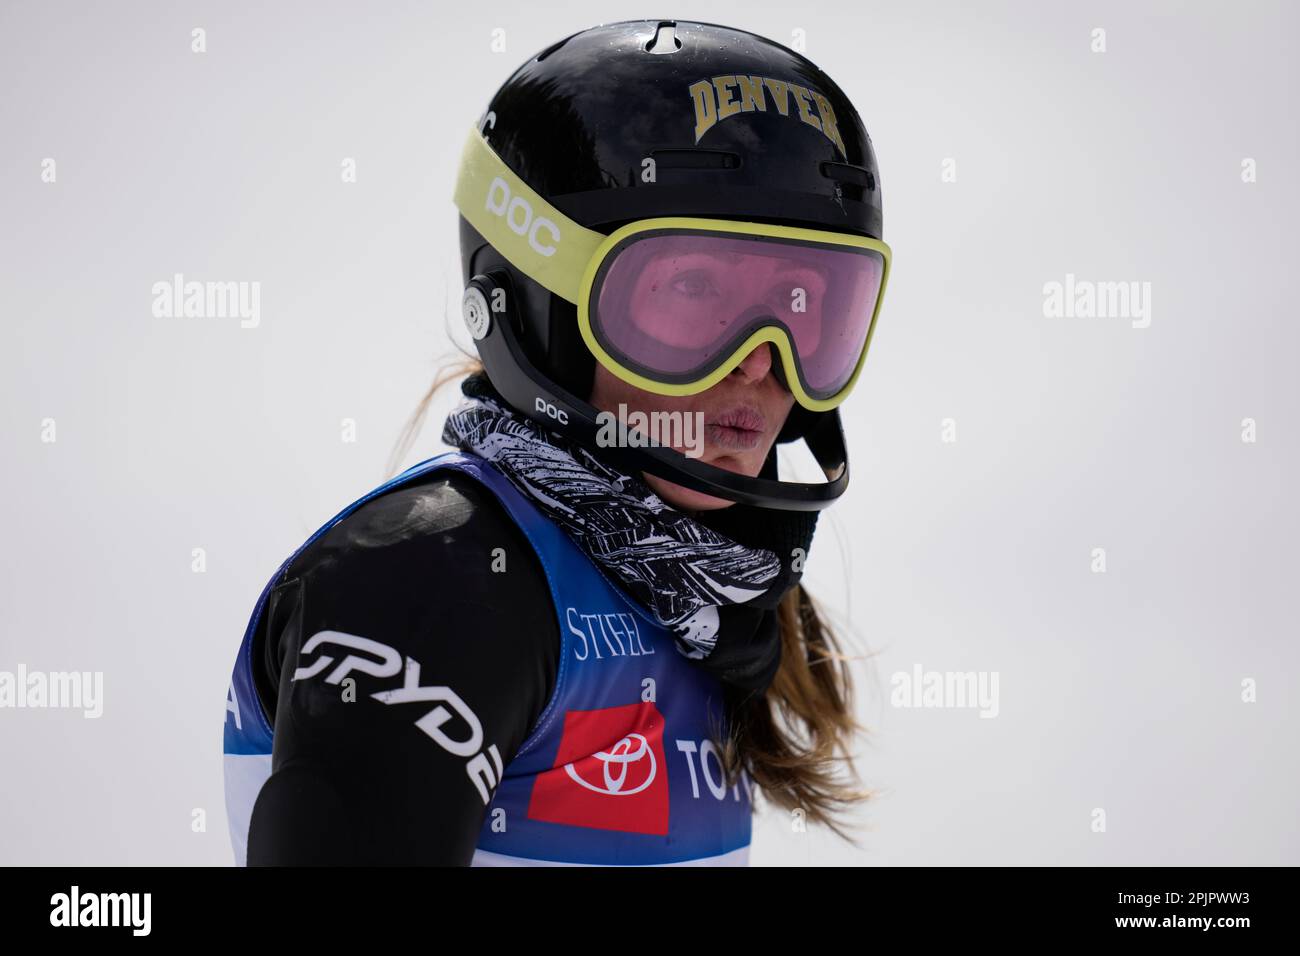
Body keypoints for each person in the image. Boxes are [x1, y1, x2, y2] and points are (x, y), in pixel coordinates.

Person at [222, 18, 891, 866]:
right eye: (692, 285)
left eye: (804, 300)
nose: (761, 364)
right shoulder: (435, 577)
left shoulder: (706, 608)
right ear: (540, 305)